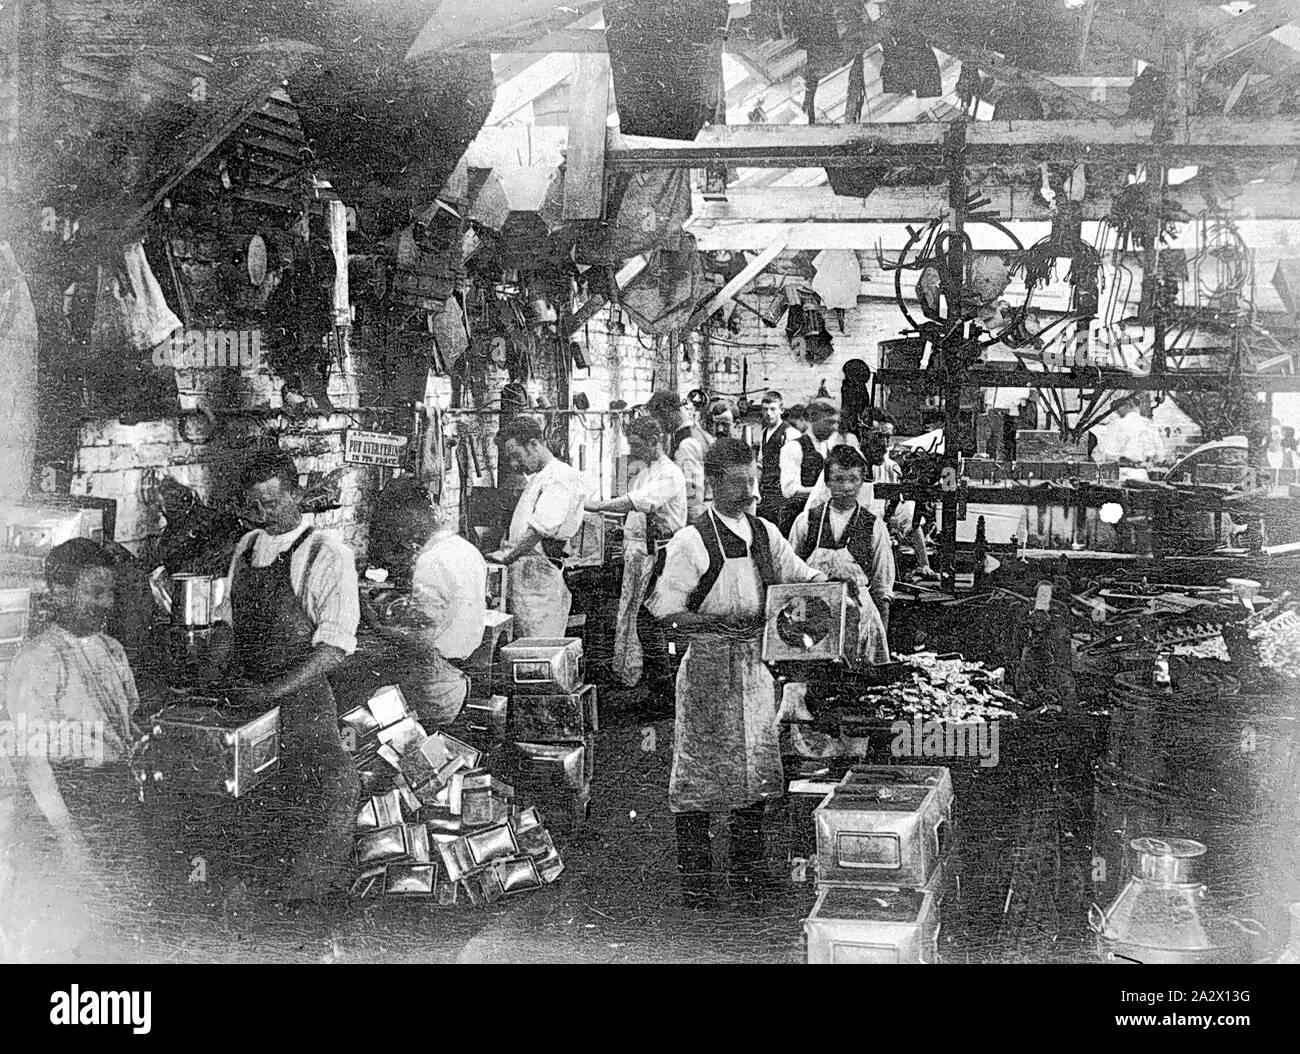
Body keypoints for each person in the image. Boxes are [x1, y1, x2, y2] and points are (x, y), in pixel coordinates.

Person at [646, 438, 826, 908]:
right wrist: (718, 623)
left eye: (753, 478)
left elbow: (800, 576)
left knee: (756, 770)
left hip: (754, 670)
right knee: (700, 776)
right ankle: (698, 881)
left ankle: (749, 872)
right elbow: (665, 612)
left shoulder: (766, 532)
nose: (750, 489)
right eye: (740, 481)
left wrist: (836, 586)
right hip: (708, 669)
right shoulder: (692, 540)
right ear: (713, 482)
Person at [219, 449, 362, 902]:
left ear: (297, 494)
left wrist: (273, 691)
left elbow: (334, 648)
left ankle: (305, 913)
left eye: (272, 504)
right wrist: (214, 675)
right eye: (253, 507)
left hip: (302, 708)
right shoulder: (246, 547)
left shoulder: (327, 552)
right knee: (252, 809)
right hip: (249, 703)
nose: (263, 516)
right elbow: (228, 623)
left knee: (326, 796)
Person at [2, 540, 142, 875]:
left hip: (112, 803)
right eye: (95, 592)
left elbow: (127, 722)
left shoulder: (112, 649)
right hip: (64, 809)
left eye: (110, 592)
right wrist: (70, 840)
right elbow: (31, 761)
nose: (106, 603)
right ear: (61, 593)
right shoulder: (39, 658)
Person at [361, 486, 487, 727]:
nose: (397, 534)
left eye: (396, 525)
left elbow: (420, 640)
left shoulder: (431, 560)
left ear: (409, 520)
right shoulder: (466, 549)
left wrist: (375, 623)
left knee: (365, 720)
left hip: (435, 684)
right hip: (457, 675)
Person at [586, 416, 687, 691]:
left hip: (661, 556)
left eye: (637, 444)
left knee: (652, 617)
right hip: (641, 554)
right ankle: (641, 677)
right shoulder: (646, 472)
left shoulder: (669, 473)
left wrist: (597, 506)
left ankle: (662, 688)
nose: (633, 451)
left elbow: (638, 502)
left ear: (654, 441)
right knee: (635, 617)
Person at [788, 446, 893, 661]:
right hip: (813, 624)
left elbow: (882, 590)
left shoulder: (874, 526)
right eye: (838, 479)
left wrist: (881, 645)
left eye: (853, 479)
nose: (846, 487)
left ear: (862, 482)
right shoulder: (806, 521)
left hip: (861, 624)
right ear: (826, 482)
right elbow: (789, 580)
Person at [488, 417, 587, 638]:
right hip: (526, 577)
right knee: (523, 651)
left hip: (540, 582)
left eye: (516, 455)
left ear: (534, 444)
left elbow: (539, 530)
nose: (514, 465)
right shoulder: (539, 477)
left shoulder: (560, 475)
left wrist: (507, 556)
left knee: (538, 650)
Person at [779, 397, 860, 532]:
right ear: (814, 419)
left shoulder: (827, 449)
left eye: (836, 423)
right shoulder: (794, 447)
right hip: (795, 520)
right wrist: (827, 491)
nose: (834, 428)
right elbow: (790, 491)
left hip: (820, 520)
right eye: (829, 422)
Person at [756, 390, 799, 526]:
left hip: (781, 493)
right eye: (765, 409)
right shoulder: (763, 433)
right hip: (766, 491)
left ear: (781, 410)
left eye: (773, 409)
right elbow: (760, 464)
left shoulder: (790, 433)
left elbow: (796, 468)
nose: (768, 413)